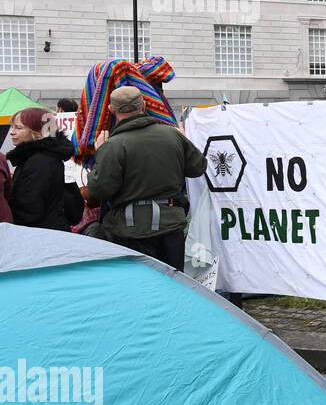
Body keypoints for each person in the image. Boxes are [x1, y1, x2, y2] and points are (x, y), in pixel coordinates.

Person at [85, 86, 206, 270]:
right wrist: (184, 140)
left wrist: (100, 153)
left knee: (142, 288)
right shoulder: (172, 135)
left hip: (132, 230)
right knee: (174, 284)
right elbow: (198, 167)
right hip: (171, 224)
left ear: (111, 110)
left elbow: (100, 189)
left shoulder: (112, 145)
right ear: (143, 105)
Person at [5, 108, 74, 231]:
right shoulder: (41, 158)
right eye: (12, 127)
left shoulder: (39, 162)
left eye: (19, 128)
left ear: (38, 133)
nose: (12, 132)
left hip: (40, 235)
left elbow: (29, 210)